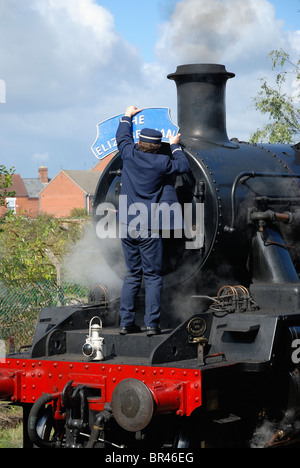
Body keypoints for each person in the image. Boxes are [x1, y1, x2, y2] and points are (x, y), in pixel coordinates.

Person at [116, 105, 190, 336]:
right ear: (158, 148)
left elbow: (122, 137)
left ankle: (126, 323)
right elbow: (183, 166)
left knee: (131, 275)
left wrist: (127, 115)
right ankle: (152, 324)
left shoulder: (128, 154)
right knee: (153, 276)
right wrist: (175, 145)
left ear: (139, 143)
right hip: (149, 227)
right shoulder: (162, 163)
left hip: (128, 226)